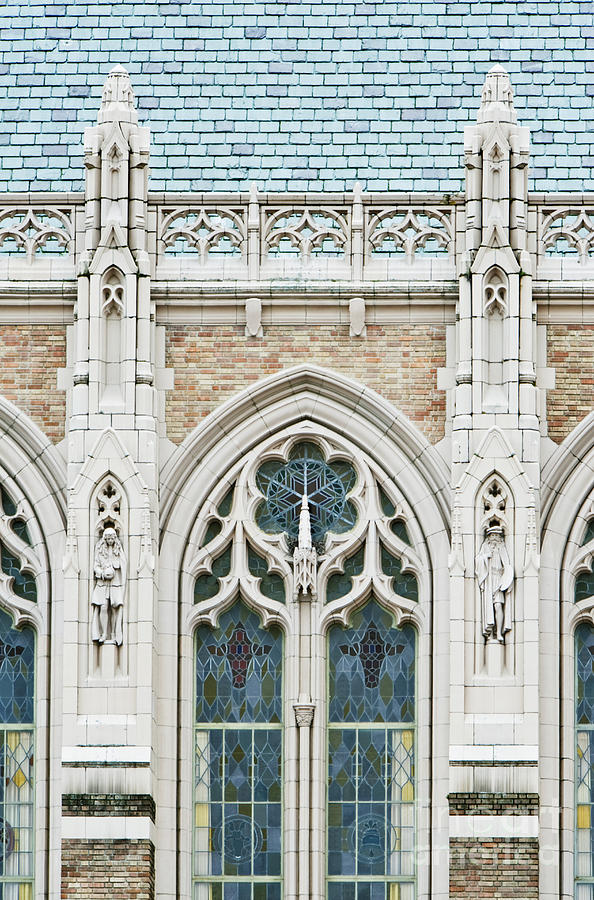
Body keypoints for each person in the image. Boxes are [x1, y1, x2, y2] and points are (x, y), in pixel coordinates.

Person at [476, 524, 513, 644]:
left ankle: (498, 633)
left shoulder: (501, 548)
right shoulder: (485, 547)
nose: (495, 538)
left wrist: (506, 580)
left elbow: (507, 565)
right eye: (492, 535)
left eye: (497, 535)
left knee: (498, 606)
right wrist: (485, 557)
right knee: (489, 608)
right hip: (489, 580)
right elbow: (478, 561)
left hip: (498, 579)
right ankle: (490, 633)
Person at [91, 526, 125, 646]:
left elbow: (122, 563)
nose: (110, 540)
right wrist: (101, 572)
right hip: (103, 582)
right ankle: (104, 633)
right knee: (103, 607)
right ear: (105, 538)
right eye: (108, 538)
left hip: (115, 581)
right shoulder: (100, 549)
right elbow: (96, 565)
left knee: (115, 608)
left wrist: (114, 568)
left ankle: (115, 633)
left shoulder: (118, 549)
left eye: (112, 538)